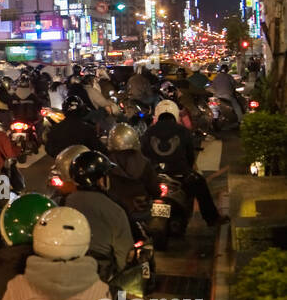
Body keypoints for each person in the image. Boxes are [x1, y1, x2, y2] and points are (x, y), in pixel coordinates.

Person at [141, 101, 225, 226]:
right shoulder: (183, 131)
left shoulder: (148, 132)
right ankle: (212, 219)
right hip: (179, 173)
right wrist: (188, 168)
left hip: (155, 174)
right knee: (200, 183)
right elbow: (190, 156)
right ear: (175, 114)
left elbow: (143, 154)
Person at [64, 150, 136, 282]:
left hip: (64, 273)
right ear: (100, 181)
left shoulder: (62, 204)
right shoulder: (114, 210)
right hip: (99, 277)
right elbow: (124, 255)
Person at [105, 122, 161, 218]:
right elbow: (154, 189)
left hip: (114, 212)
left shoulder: (106, 164)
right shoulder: (143, 162)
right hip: (140, 211)